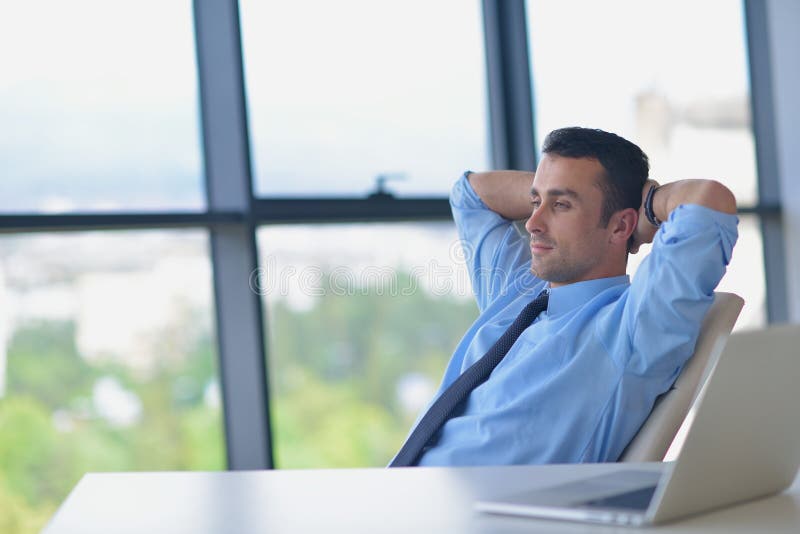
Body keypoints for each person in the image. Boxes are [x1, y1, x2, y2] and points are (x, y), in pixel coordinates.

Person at [391, 126, 738, 467]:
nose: (533, 222)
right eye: (534, 201)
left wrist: (646, 203)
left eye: (561, 205)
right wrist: (558, 189)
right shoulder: (517, 291)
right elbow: (470, 196)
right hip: (397, 494)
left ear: (620, 226)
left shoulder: (632, 327)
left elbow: (710, 200)